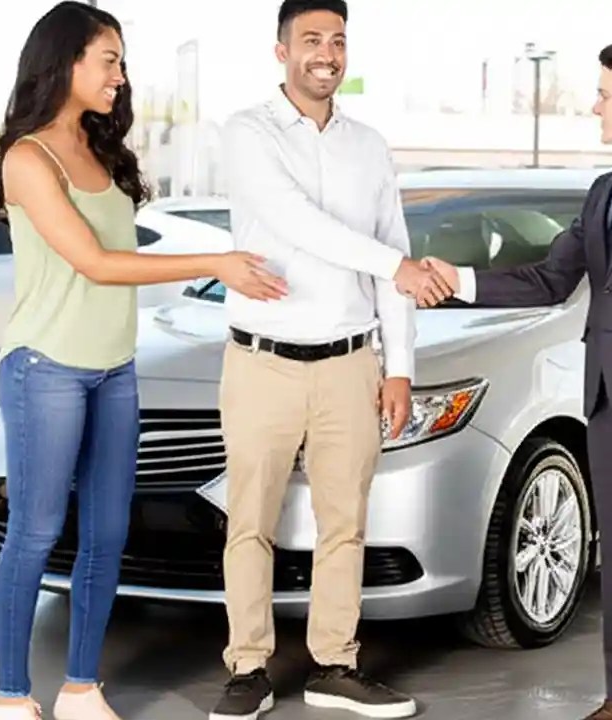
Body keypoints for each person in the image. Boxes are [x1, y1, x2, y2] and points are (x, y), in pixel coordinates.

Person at [0, 3, 286, 719]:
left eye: (122, 61)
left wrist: (227, 258)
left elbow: (127, 253)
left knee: (109, 533)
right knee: (34, 530)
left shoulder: (100, 151)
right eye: (109, 59)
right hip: (46, 369)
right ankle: (10, 698)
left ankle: (82, 688)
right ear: (65, 63)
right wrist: (216, 261)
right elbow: (93, 262)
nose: (121, 75)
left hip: (113, 369)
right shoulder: (28, 156)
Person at [420, 39, 612, 720]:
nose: (593, 104)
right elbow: (550, 277)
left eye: (604, 93)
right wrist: (460, 281)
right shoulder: (606, 191)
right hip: (605, 402)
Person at [208, 2, 448, 719]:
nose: (327, 53)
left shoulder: (369, 146)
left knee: (345, 522)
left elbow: (389, 252)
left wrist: (399, 364)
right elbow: (296, 223)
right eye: (311, 39)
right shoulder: (246, 134)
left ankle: (333, 666)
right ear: (280, 51)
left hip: (349, 364)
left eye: (338, 40)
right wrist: (397, 267)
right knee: (250, 521)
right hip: (263, 363)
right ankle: (248, 667)